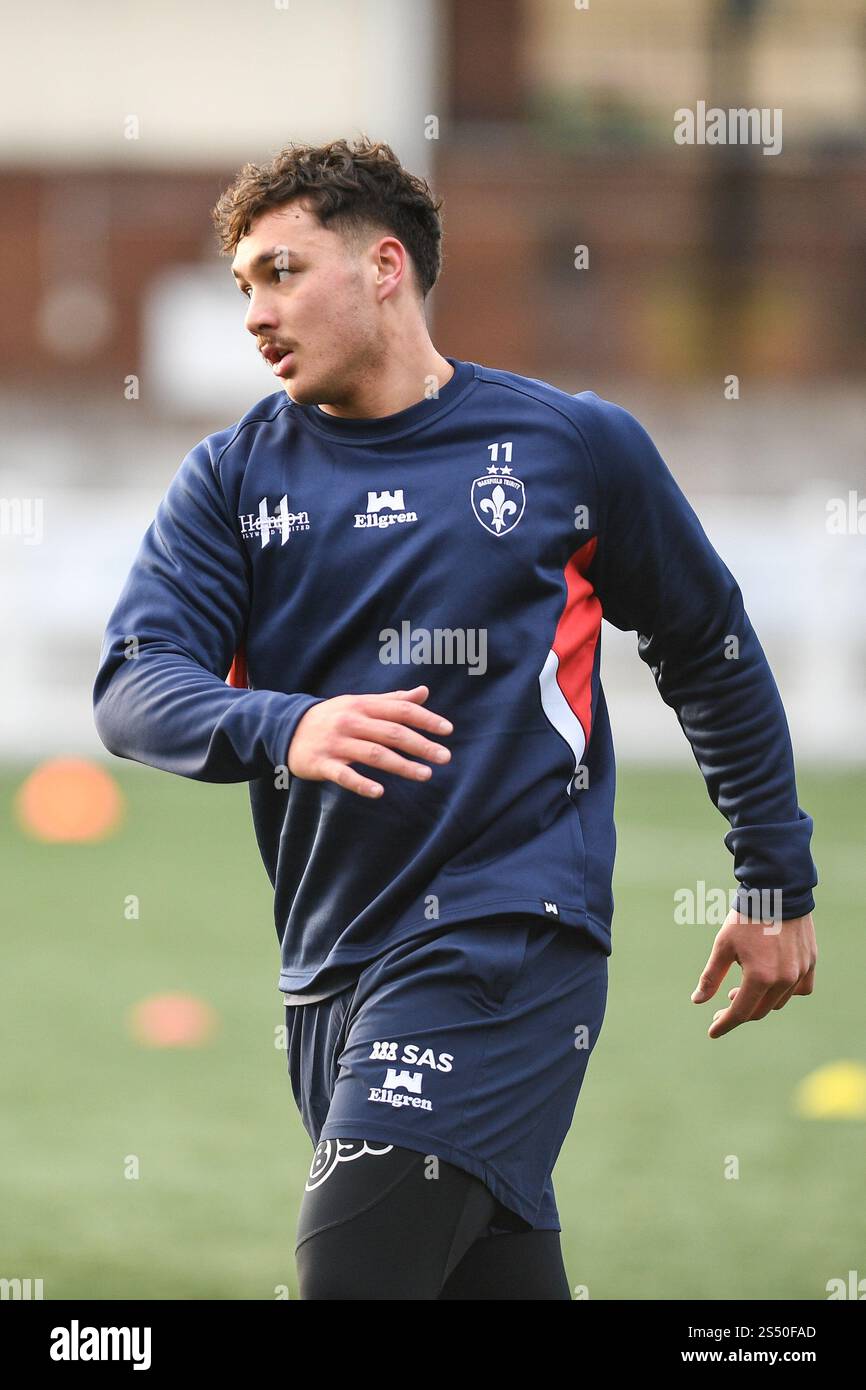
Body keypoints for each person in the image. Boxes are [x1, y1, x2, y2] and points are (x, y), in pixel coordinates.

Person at [92, 135, 818, 1300]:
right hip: (328, 967)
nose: (252, 313)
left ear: (385, 266)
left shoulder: (570, 446)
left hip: (508, 939)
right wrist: (285, 725)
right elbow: (133, 684)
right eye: (243, 286)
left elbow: (708, 647)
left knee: (355, 1274)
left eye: (281, 272)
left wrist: (771, 878)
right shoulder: (229, 480)